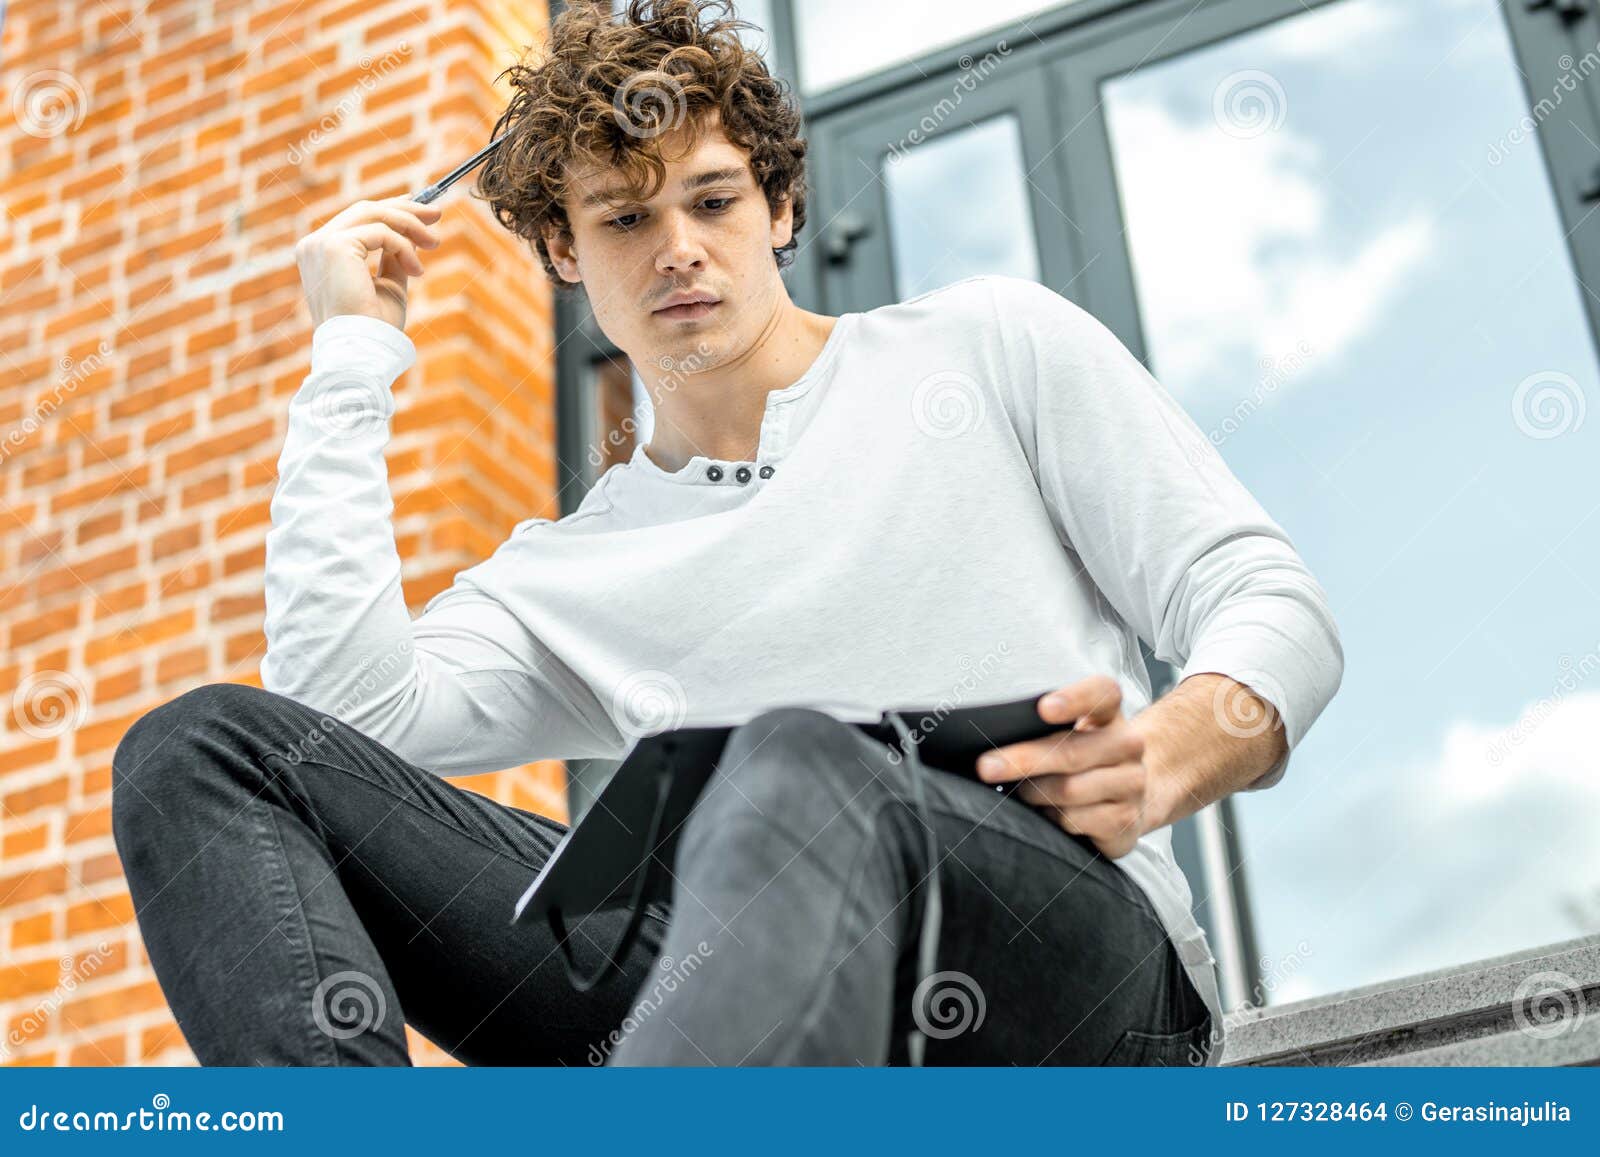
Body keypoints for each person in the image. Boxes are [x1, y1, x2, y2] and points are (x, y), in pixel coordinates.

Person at [111, 0, 1343, 1066]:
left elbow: (1265, 596)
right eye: (626, 222)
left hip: (1072, 985)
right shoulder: (568, 567)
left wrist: (1177, 744)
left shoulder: (984, 347)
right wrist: (352, 354)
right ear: (561, 252)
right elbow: (343, 714)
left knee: (794, 765)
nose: (680, 250)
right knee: (200, 748)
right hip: (724, 989)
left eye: (712, 200)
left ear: (783, 204)